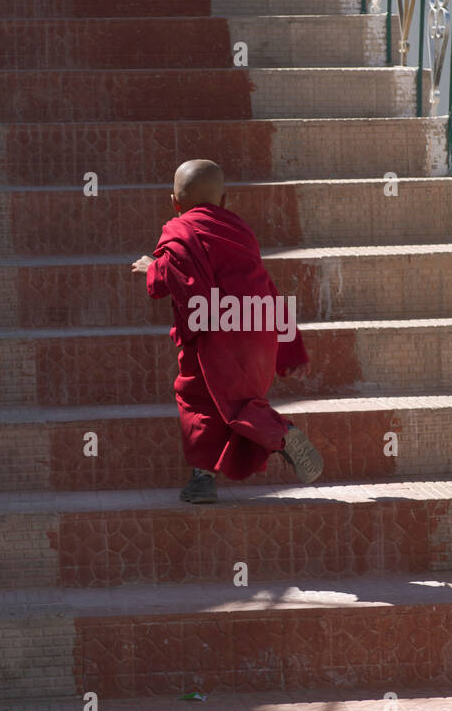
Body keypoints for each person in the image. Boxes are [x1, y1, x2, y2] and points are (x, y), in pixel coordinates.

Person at [131, 158, 324, 502]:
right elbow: (262, 281)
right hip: (256, 326)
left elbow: (177, 280)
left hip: (213, 330)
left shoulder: (178, 230)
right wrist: (288, 341)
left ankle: (269, 440)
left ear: (173, 202)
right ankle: (268, 441)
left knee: (199, 401)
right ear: (224, 200)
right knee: (240, 398)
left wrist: (152, 267)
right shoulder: (240, 230)